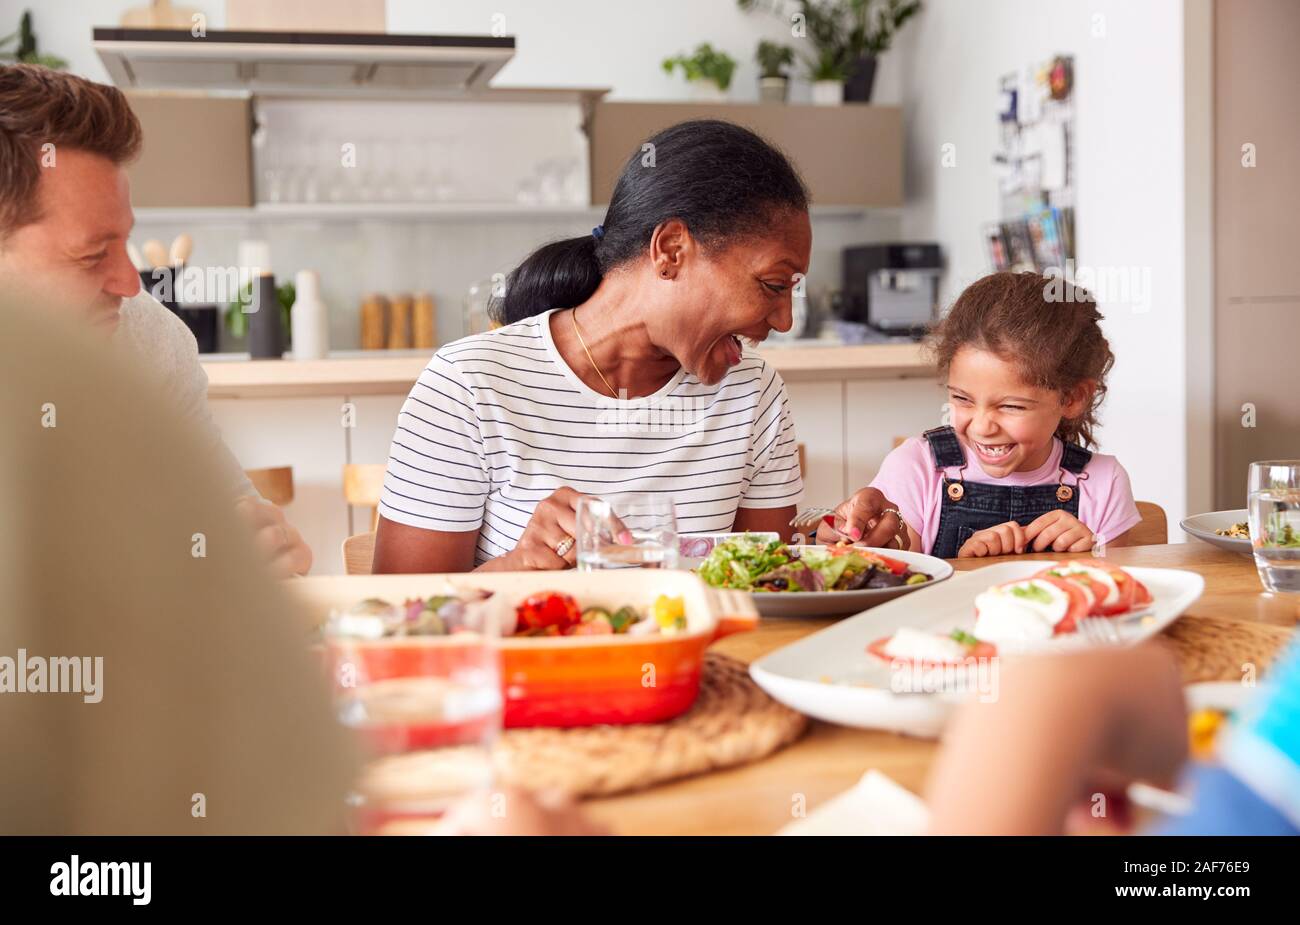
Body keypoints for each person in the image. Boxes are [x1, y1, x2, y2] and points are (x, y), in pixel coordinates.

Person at [372, 119, 906, 574]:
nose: (785, 322)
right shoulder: (469, 385)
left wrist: (834, 544)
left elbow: (762, 586)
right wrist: (521, 566)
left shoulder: (752, 392)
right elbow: (397, 616)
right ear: (671, 250)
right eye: (772, 285)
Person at [0, 63, 311, 577]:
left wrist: (263, 550)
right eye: (91, 255)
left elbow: (225, 514)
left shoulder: (146, 339)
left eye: (124, 240)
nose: (130, 282)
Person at [820, 271, 1141, 558]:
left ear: (1072, 398)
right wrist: (856, 543)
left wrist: (1091, 556)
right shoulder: (917, 467)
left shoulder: (1101, 483)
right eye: (962, 399)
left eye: (1011, 406)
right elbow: (895, 577)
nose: (982, 426)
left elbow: (1116, 597)